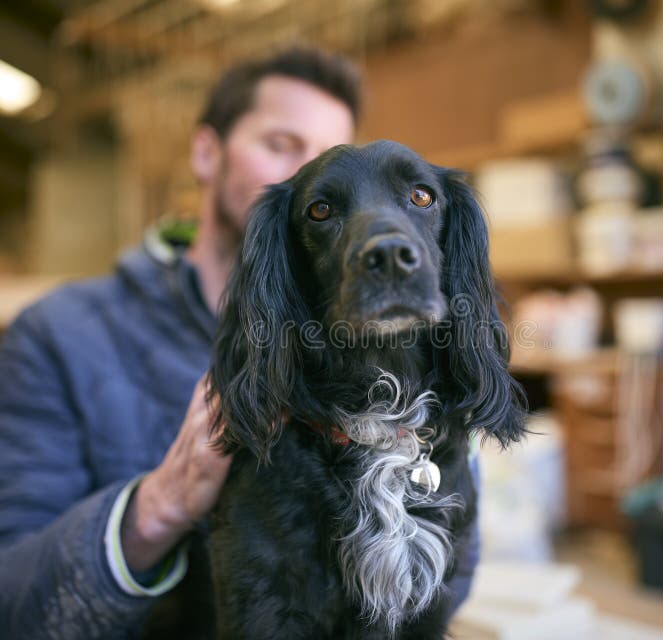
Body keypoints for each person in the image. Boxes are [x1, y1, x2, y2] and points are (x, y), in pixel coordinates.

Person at [0, 47, 478, 639]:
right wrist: (156, 508)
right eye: (283, 145)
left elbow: (448, 583)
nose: (312, 164)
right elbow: (9, 601)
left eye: (329, 148)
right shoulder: (56, 336)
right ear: (207, 152)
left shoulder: (410, 367)